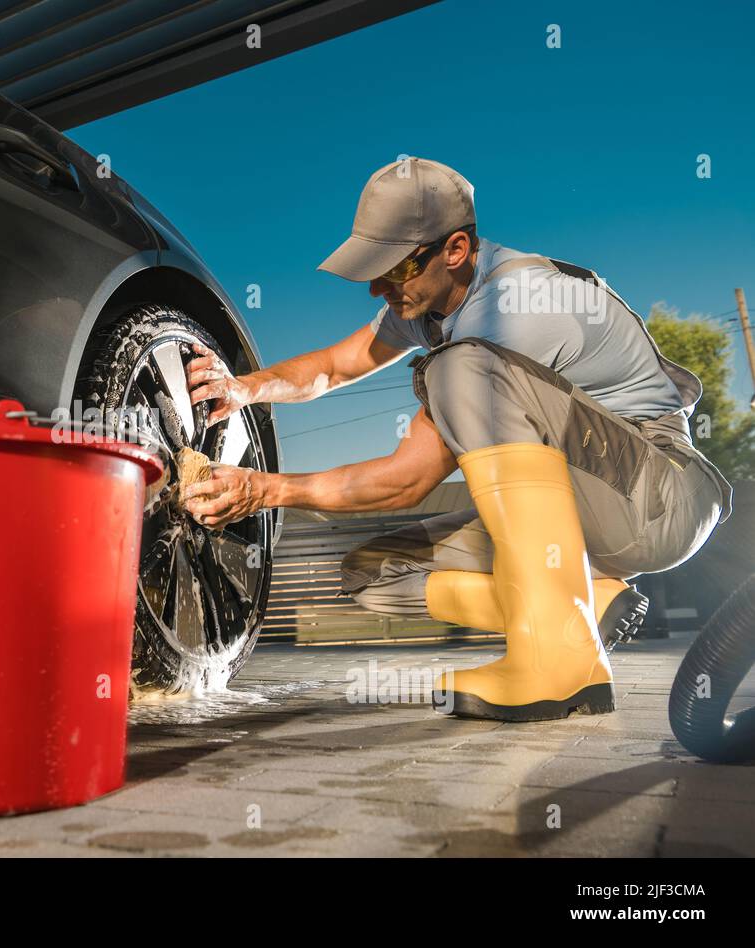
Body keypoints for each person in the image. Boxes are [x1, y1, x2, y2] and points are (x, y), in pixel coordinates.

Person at [182, 157, 733, 722]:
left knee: (455, 369)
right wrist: (242, 387)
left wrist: (263, 490)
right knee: (375, 572)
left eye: (393, 269)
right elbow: (335, 366)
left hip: (658, 496)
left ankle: (557, 663)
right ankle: (585, 608)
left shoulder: (513, 307)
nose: (377, 288)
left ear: (456, 250)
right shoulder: (428, 299)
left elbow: (407, 480)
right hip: (591, 511)